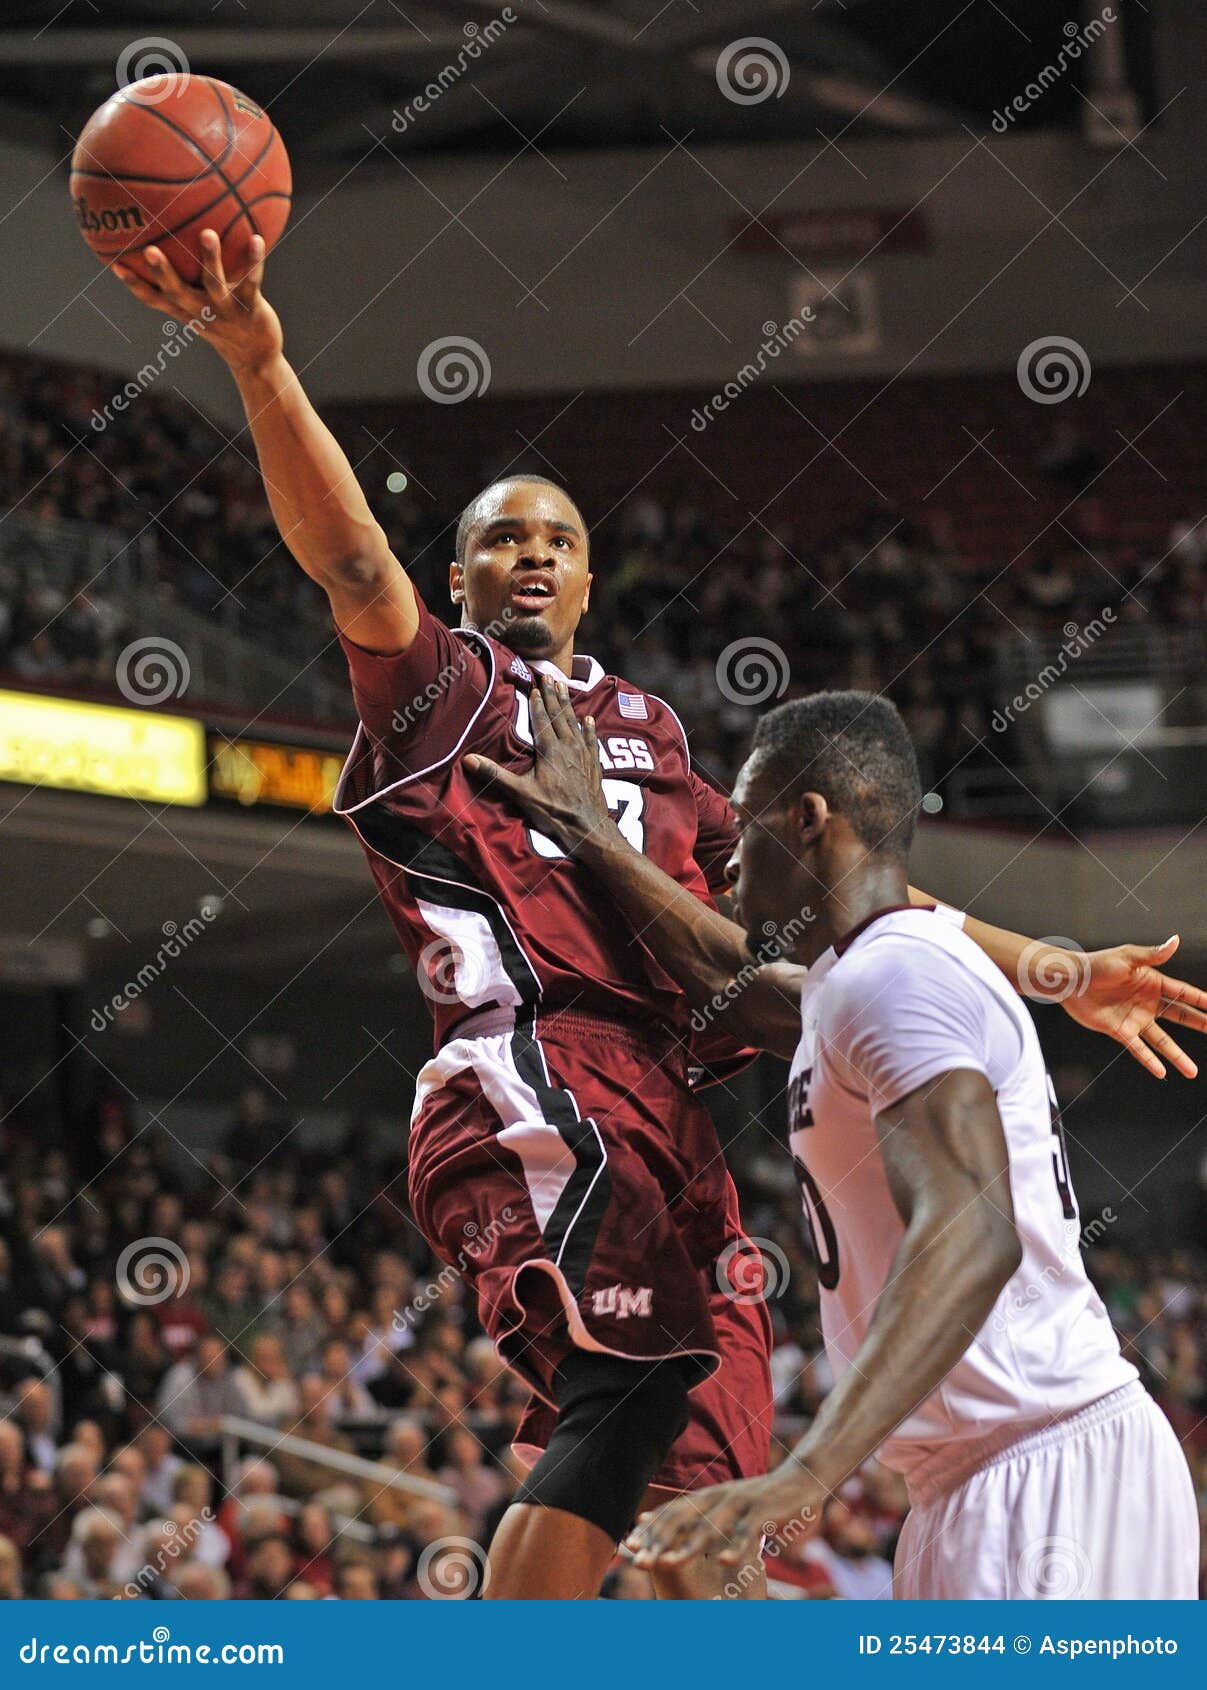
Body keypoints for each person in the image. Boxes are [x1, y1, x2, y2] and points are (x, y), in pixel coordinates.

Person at [109, 239, 1200, 1600]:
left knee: (707, 1480)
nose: (529, 555)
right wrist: (258, 357)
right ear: (459, 581)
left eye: (556, 539)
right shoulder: (439, 691)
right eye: (499, 536)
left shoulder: (653, 730)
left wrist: (1050, 963)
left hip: (678, 1113)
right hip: (536, 1066)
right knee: (625, 1390)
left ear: (584, 580)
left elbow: (853, 890)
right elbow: (346, 557)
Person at [469, 679, 1204, 1598]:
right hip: (972, 1480)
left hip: (1044, 1473)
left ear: (809, 818)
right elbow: (708, 961)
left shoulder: (894, 978)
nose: (727, 866)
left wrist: (803, 1476)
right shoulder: (852, 984)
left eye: (744, 827)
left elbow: (971, 1235)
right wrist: (588, 830)